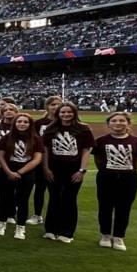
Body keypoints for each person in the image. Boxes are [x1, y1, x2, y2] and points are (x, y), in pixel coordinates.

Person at [41, 102, 94, 243]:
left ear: (74, 113)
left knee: (69, 199)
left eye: (69, 112)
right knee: (54, 198)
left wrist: (82, 170)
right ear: (58, 114)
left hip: (74, 169)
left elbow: (86, 150)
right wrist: (46, 168)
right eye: (63, 112)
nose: (66, 115)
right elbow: (45, 150)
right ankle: (51, 229)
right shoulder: (50, 128)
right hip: (54, 168)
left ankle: (67, 232)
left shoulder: (83, 129)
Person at [93, 111, 137, 251]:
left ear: (128, 123)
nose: (118, 123)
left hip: (129, 179)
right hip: (106, 177)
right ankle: (105, 235)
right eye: (114, 120)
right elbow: (98, 159)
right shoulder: (100, 141)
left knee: (124, 208)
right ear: (108, 124)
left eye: (122, 121)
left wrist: (129, 171)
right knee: (105, 207)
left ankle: (118, 237)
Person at [0, 114, 43, 240]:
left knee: (23, 201)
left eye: (25, 122)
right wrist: (9, 172)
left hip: (26, 175)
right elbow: (0, 156)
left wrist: (19, 173)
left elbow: (37, 159)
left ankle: (20, 227)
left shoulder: (36, 139)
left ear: (30, 124)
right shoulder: (6, 138)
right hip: (7, 173)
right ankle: (1, 224)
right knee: (5, 199)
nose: (22, 124)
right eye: (19, 121)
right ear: (15, 124)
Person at [28, 95, 62, 226]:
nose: (56, 107)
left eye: (58, 104)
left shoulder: (66, 122)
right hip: (40, 161)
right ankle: (37, 215)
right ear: (47, 106)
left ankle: (56, 216)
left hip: (59, 161)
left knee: (57, 191)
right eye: (53, 104)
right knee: (39, 189)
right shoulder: (39, 123)